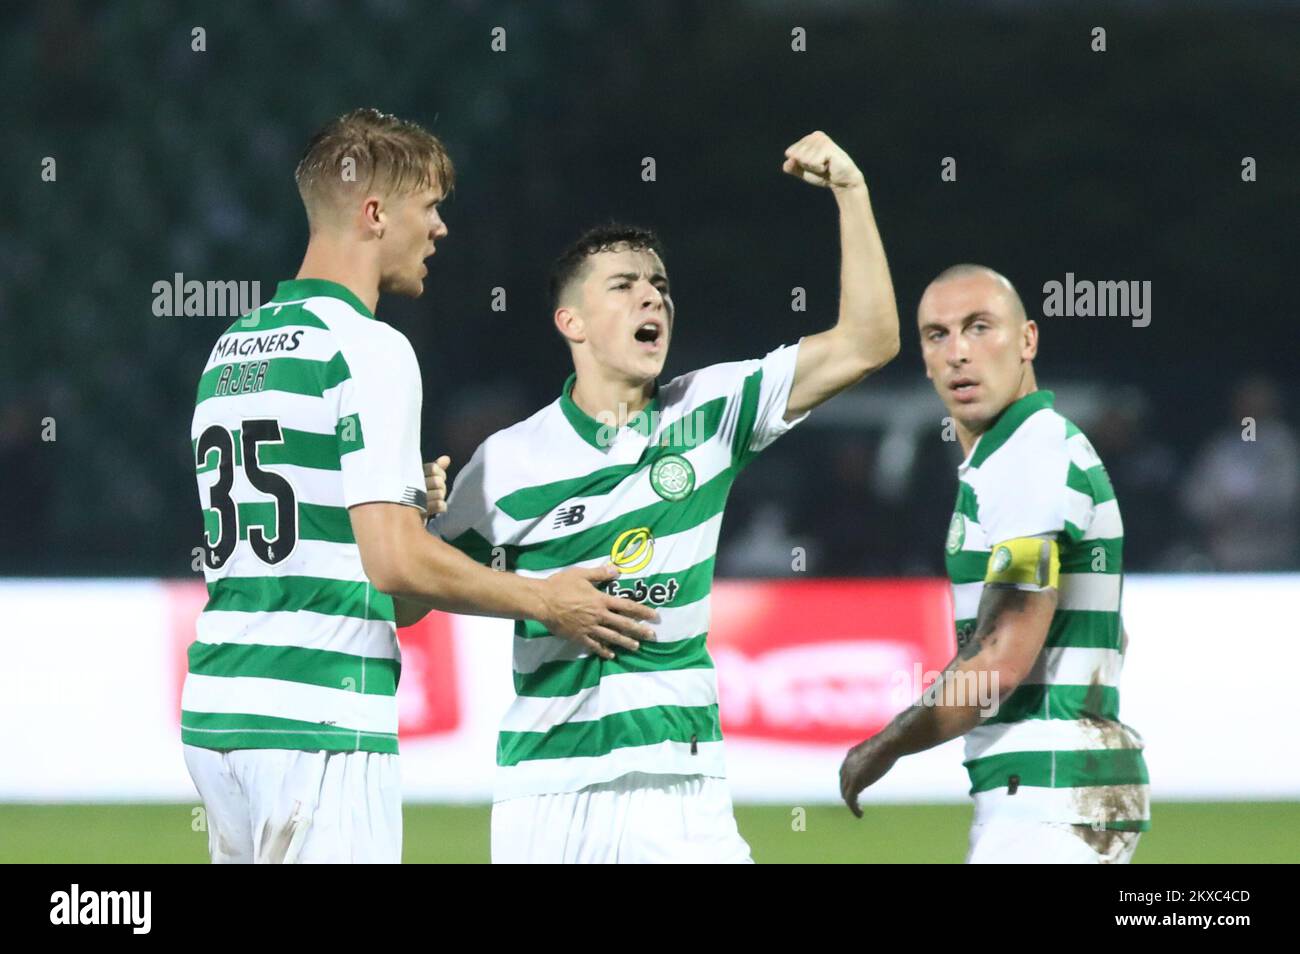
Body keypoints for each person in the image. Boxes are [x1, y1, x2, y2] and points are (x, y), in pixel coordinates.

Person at [183, 108, 654, 864]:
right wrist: (546, 599)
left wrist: (409, 512)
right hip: (319, 718)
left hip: (219, 716)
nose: (439, 229)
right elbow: (396, 568)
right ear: (374, 213)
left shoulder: (231, 347)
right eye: (428, 207)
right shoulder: (368, 348)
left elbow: (364, 569)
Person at [432, 131, 900, 863]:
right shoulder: (507, 462)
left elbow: (869, 341)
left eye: (660, 286)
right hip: (552, 794)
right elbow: (411, 591)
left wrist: (852, 191)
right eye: (624, 285)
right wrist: (532, 595)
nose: (653, 294)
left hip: (684, 793)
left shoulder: (711, 410)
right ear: (572, 323)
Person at [839, 264, 1150, 863]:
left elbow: (1001, 661)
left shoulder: (1028, 458)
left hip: (1049, 792)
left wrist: (882, 746)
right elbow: (1113, 630)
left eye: (980, 328)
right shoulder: (1022, 452)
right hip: (1064, 785)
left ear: (1028, 339)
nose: (959, 353)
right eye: (938, 335)